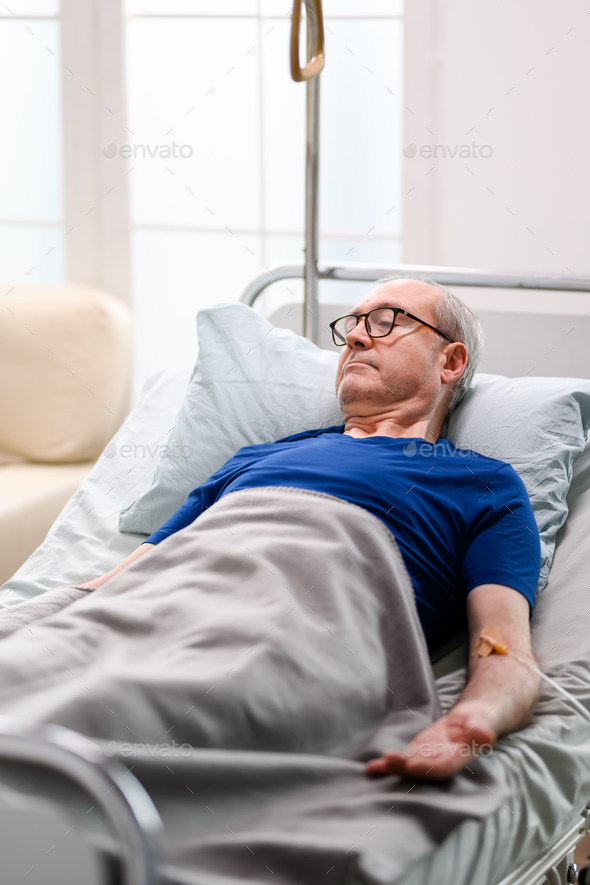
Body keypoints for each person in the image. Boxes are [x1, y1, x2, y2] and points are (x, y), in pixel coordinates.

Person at [82, 277, 541, 779]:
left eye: (387, 321)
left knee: (100, 725)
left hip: (292, 643)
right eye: (352, 326)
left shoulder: (482, 485)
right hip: (156, 614)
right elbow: (116, 584)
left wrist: (469, 722)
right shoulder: (257, 458)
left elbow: (504, 647)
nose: (358, 339)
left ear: (450, 362)